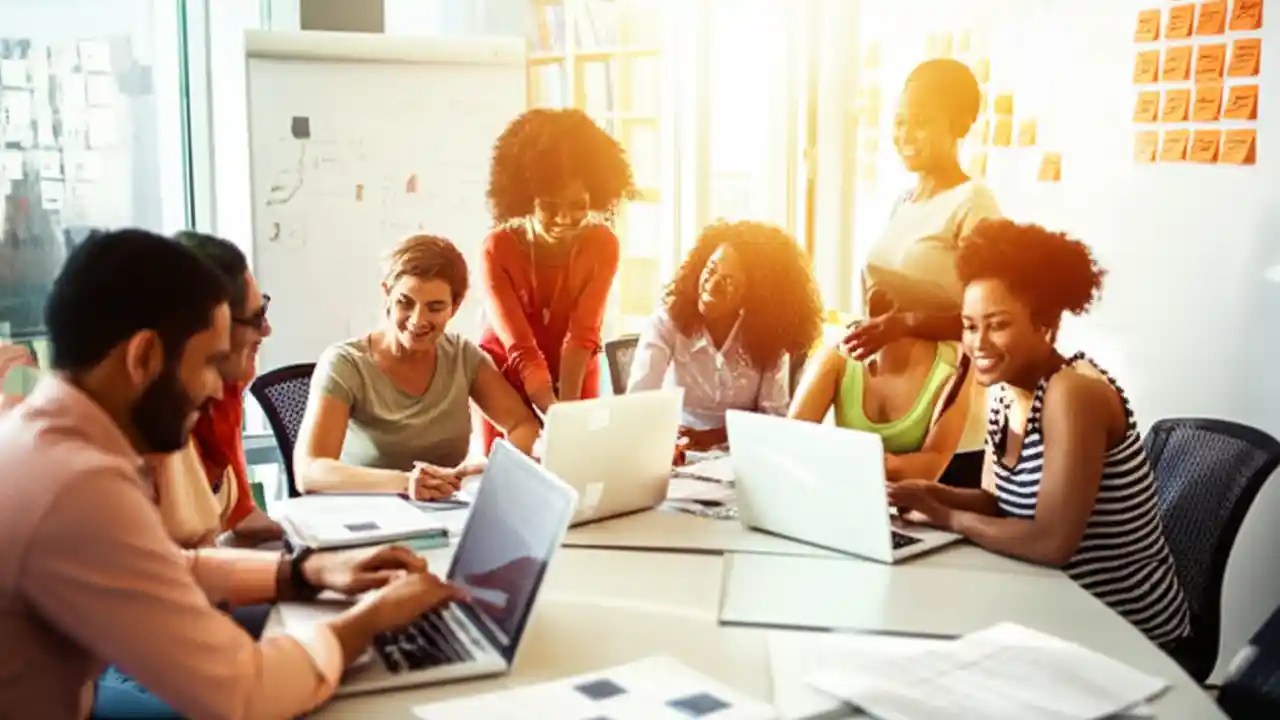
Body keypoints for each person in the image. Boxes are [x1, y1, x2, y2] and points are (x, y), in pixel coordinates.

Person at [0, 229, 461, 718]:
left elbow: (167, 566)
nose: (219, 386)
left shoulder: (43, 438)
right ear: (145, 357)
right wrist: (371, 620)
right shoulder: (78, 485)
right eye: (210, 363)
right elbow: (243, 693)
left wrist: (304, 573)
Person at [888, 219, 1191, 648]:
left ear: (1045, 325)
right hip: (1048, 602)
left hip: (1123, 632)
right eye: (970, 325)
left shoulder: (1073, 393)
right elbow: (1001, 503)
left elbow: (1051, 542)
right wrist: (931, 494)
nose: (979, 344)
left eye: (997, 324)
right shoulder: (1005, 391)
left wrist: (948, 517)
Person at [840, 58, 1002, 486]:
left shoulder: (974, 202)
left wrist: (904, 324)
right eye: (899, 122)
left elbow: (993, 318)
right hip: (891, 398)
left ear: (959, 125)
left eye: (921, 122)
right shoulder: (903, 203)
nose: (905, 135)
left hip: (947, 414)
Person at [296, 234, 537, 497]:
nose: (417, 320)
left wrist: (490, 469)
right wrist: (406, 483)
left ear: (454, 307)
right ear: (387, 294)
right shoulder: (345, 364)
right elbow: (309, 470)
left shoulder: (462, 357)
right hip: (369, 516)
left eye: (435, 307)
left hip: (443, 512)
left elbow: (524, 426)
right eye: (405, 303)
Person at [478, 108, 635, 451]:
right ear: (525, 201)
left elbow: (583, 335)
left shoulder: (603, 244)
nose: (565, 219)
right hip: (507, 379)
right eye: (549, 207)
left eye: (578, 205)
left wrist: (567, 410)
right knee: (511, 476)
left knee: (576, 469)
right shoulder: (498, 249)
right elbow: (520, 350)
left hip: (575, 377)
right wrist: (552, 409)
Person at [139, 230, 283, 548]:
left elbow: (232, 523)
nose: (267, 329)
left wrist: (301, 565)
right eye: (257, 317)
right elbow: (180, 565)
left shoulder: (221, 398)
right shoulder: (155, 425)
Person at [627, 221, 823, 452]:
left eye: (728, 281)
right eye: (710, 270)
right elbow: (638, 405)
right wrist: (665, 440)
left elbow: (773, 420)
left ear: (754, 294)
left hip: (743, 453)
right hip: (675, 451)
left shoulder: (769, 334)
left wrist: (714, 437)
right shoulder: (667, 323)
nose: (712, 286)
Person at [789, 286, 973, 483]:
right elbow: (791, 439)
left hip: (909, 502)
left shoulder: (952, 367)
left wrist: (871, 462)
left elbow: (932, 465)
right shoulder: (837, 357)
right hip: (842, 488)